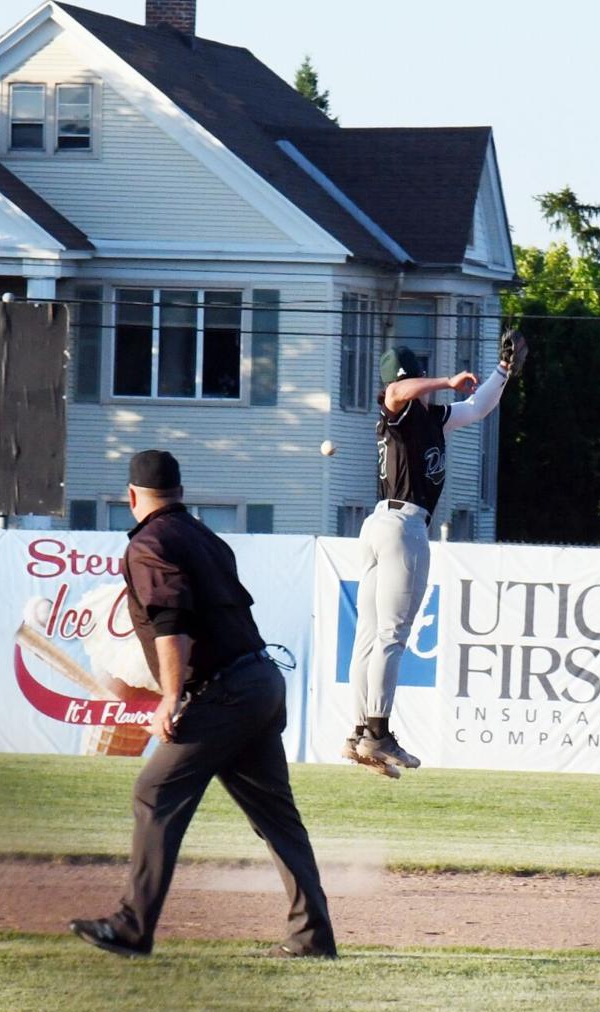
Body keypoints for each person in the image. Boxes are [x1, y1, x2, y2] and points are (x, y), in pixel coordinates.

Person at [70, 450, 337, 959]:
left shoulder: (148, 544)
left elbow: (173, 624)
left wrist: (170, 698)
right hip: (259, 681)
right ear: (180, 492)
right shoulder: (205, 537)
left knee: (155, 792)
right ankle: (313, 937)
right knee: (276, 816)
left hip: (224, 692)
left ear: (131, 497)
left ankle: (131, 927)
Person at [344, 336, 524, 777]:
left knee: (371, 637)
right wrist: (445, 380)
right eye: (418, 380)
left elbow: (478, 408)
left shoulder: (432, 418)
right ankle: (378, 733)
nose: (423, 389)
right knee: (389, 636)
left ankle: (360, 734)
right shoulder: (400, 409)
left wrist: (503, 370)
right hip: (401, 526)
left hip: (381, 526)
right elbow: (397, 391)